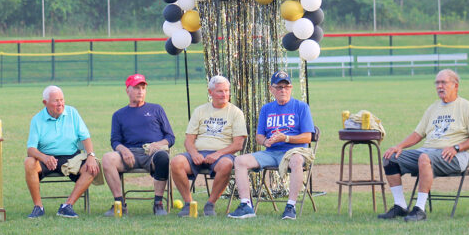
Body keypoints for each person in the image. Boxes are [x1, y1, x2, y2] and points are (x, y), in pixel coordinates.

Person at [378, 69, 469, 222]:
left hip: (454, 156)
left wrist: (456, 148)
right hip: (427, 153)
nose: (439, 86)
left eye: (443, 82)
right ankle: (400, 206)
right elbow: (418, 134)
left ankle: (420, 209)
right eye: (437, 83)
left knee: (424, 157)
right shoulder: (433, 108)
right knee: (390, 158)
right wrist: (399, 146)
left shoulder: (467, 107)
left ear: (455, 85)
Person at [228, 70, 315, 220]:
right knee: (239, 161)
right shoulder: (266, 109)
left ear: (291, 88)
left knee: (297, 160)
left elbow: (308, 136)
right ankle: (246, 205)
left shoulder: (301, 107)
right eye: (279, 87)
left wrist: (286, 138)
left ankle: (290, 206)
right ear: (271, 89)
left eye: (286, 87)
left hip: (293, 151)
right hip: (270, 153)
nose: (283, 90)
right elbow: (259, 136)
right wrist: (265, 141)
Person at [171, 75, 247, 217]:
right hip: (199, 152)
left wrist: (218, 154)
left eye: (226, 91)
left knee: (226, 164)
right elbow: (188, 140)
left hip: (223, 154)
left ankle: (210, 204)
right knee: (176, 162)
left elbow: (238, 144)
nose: (224, 94)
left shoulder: (236, 112)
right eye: (219, 91)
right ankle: (189, 204)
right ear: (210, 92)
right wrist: (194, 154)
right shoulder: (200, 110)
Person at [101, 74, 175, 216]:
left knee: (163, 158)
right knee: (107, 158)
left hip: (152, 153)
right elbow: (115, 140)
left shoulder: (156, 109)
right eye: (136, 88)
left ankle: (158, 204)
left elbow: (170, 137)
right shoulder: (119, 114)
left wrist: (158, 144)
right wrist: (123, 150)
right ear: (127, 90)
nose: (140, 91)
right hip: (129, 154)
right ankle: (119, 205)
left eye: (143, 88)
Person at [24, 85, 99, 218]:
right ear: (45, 103)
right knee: (29, 162)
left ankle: (67, 206)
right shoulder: (37, 119)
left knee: (92, 167)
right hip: (46, 159)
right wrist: (44, 158)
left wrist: (91, 156)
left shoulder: (72, 113)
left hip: (71, 158)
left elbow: (85, 137)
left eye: (62, 100)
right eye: (56, 101)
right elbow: (31, 149)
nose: (60, 103)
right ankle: (38, 207)